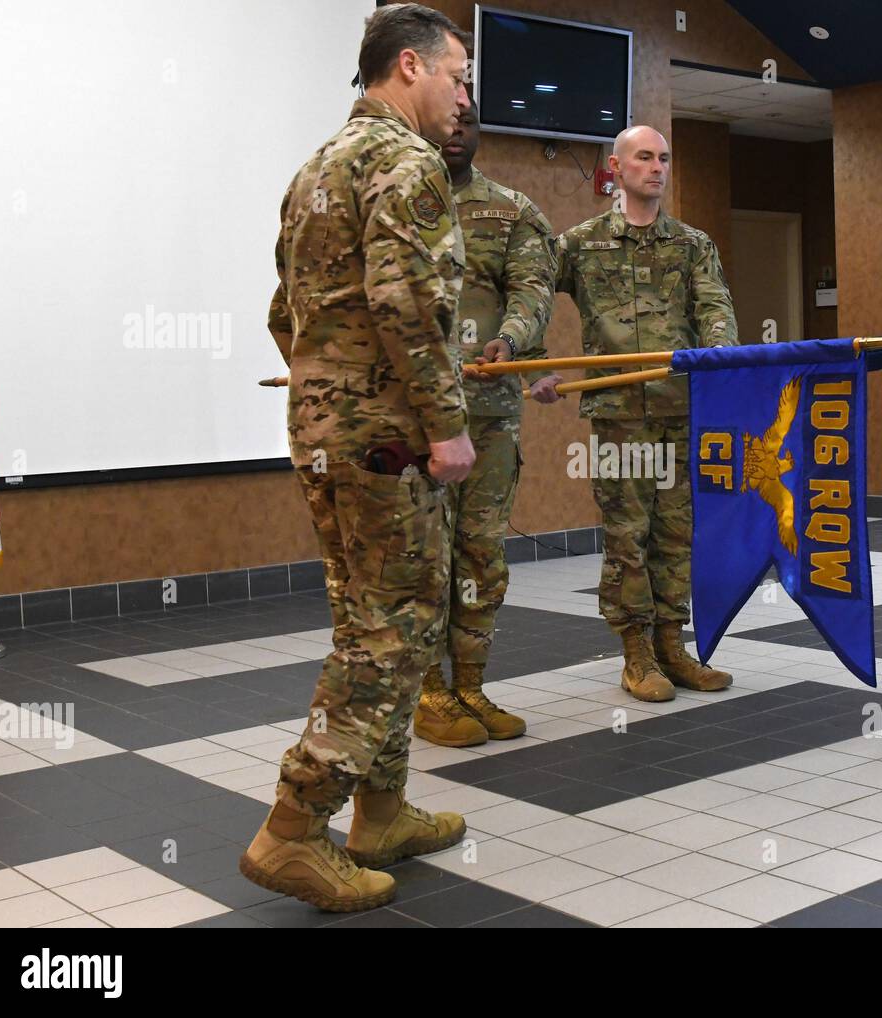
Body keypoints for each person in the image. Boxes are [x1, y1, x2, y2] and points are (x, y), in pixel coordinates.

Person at [241, 3, 475, 912]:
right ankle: (293, 831)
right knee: (399, 623)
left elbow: (283, 310)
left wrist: (327, 389)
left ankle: (380, 811)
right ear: (408, 66)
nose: (464, 97)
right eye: (457, 77)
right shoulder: (405, 162)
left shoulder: (316, 169)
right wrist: (443, 421)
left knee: (366, 616)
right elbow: (406, 301)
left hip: (327, 430)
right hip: (387, 438)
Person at [555, 125, 738, 703]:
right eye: (644, 157)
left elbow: (715, 311)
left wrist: (719, 354)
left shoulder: (691, 244)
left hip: (680, 409)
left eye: (664, 158)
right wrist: (530, 363)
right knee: (628, 534)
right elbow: (528, 296)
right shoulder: (581, 243)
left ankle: (671, 643)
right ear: (615, 167)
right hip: (618, 415)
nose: (657, 167)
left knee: (676, 533)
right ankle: (635, 651)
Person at [413, 99, 561, 747]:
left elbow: (533, 289)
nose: (456, 130)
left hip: (491, 417)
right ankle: (429, 692)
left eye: (468, 123)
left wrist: (513, 338)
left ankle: (471, 684)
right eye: (447, 120)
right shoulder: (399, 204)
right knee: (424, 556)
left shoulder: (512, 211)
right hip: (415, 417)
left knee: (480, 550)